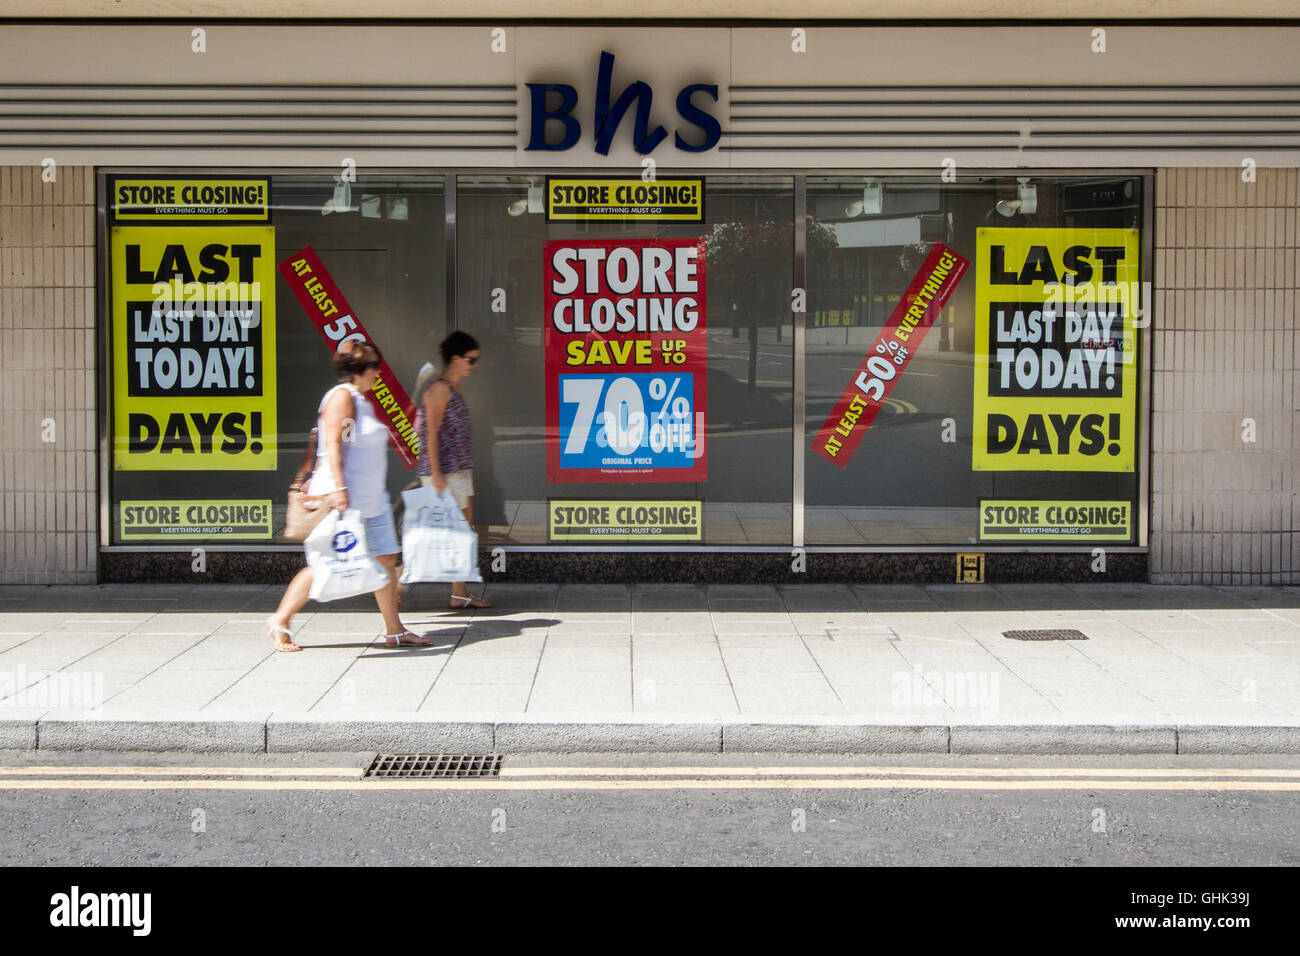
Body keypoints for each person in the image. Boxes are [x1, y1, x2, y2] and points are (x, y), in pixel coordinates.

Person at [266, 340, 432, 651]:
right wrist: (340, 489)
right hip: (346, 499)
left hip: (372, 500)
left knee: (385, 559)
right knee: (324, 564)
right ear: (359, 370)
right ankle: (280, 620)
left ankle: (395, 630)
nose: (378, 374)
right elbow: (334, 445)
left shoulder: (362, 399)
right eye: (374, 368)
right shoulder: (342, 398)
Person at [414, 330, 491, 609]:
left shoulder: (453, 386)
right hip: (445, 473)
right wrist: (436, 475)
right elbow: (430, 433)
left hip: (457, 469)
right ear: (456, 358)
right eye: (471, 360)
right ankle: (397, 579)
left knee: (462, 530)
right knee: (439, 532)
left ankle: (459, 592)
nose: (474, 365)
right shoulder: (439, 389)